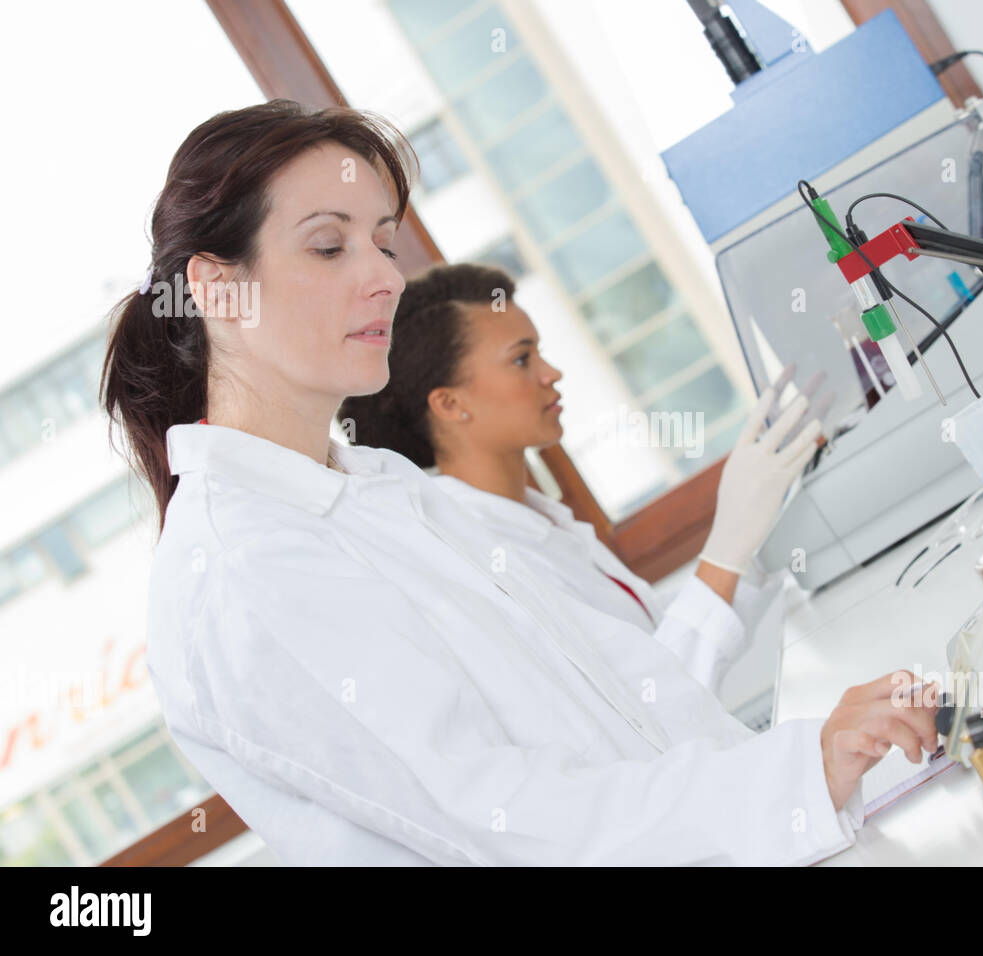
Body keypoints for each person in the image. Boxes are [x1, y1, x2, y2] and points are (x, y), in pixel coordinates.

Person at [104, 98, 939, 866]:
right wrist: (797, 778)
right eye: (329, 246)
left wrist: (804, 764)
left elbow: (619, 690)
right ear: (217, 289)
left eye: (384, 243)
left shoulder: (376, 486)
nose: (384, 275)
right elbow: (498, 815)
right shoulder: (246, 568)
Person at [337, 262, 794, 697]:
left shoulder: (536, 517)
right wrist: (728, 546)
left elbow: (655, 641)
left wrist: (761, 547)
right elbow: (649, 704)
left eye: (539, 352)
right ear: (451, 405)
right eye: (521, 359)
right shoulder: (481, 553)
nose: (551, 373)